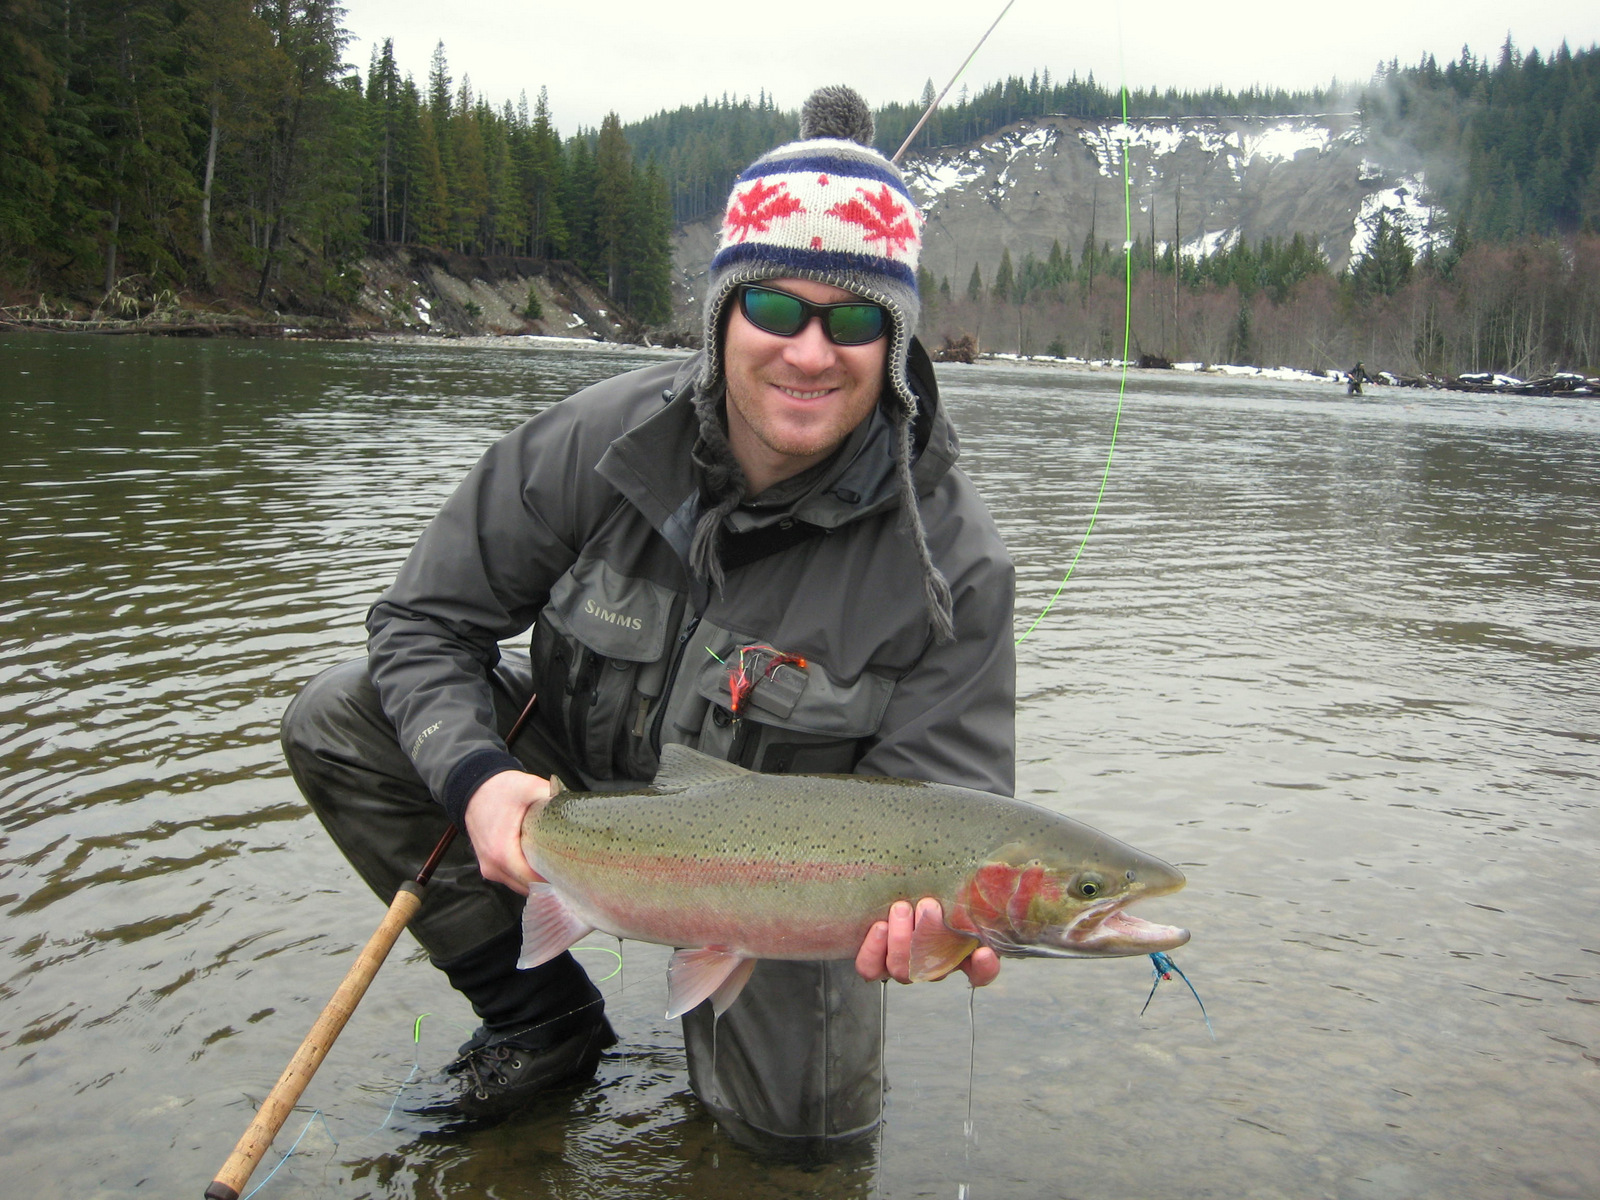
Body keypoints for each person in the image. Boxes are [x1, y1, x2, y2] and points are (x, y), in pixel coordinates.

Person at [280, 85, 1015, 1156]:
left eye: (852, 319)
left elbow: (951, 814)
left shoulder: (951, 562)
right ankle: (541, 1018)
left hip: (790, 878)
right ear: (722, 313)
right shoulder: (598, 442)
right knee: (342, 716)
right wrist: (481, 783)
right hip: (572, 791)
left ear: (892, 344)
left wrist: (939, 926)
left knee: (800, 1150)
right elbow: (419, 625)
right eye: (775, 308)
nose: (809, 352)